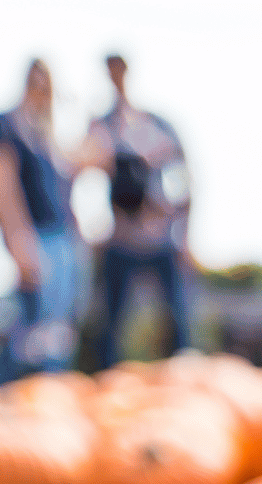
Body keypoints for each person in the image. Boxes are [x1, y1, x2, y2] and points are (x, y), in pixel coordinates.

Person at [86, 54, 192, 369]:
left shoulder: (156, 124)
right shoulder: (102, 126)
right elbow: (82, 169)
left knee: (178, 323)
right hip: (121, 238)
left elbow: (186, 178)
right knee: (109, 328)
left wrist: (182, 230)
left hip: (159, 238)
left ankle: (183, 380)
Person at [0, 60, 81, 383]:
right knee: (26, 324)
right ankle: (6, 391)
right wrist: (18, 237)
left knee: (55, 331)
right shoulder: (6, 124)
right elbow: (1, 182)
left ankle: (49, 390)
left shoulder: (46, 133)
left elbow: (63, 189)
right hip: (33, 235)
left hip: (60, 236)